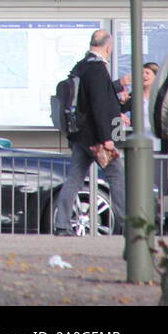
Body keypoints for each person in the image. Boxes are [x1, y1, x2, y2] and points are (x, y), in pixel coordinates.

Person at [53, 30, 125, 236]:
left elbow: (93, 97)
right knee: (117, 178)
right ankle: (129, 224)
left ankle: (62, 224)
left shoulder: (81, 66)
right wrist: (106, 139)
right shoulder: (97, 69)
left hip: (80, 137)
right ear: (108, 47)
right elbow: (99, 105)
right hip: (97, 139)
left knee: (74, 179)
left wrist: (119, 87)